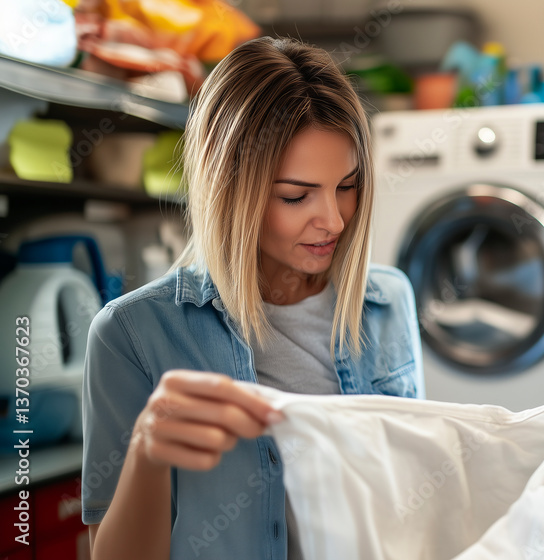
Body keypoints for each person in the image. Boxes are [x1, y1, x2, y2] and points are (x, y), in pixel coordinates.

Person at [81, 37, 423, 560]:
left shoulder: (389, 301)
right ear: (231, 189)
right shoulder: (131, 334)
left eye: (347, 186)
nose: (333, 221)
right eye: (295, 196)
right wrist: (146, 454)